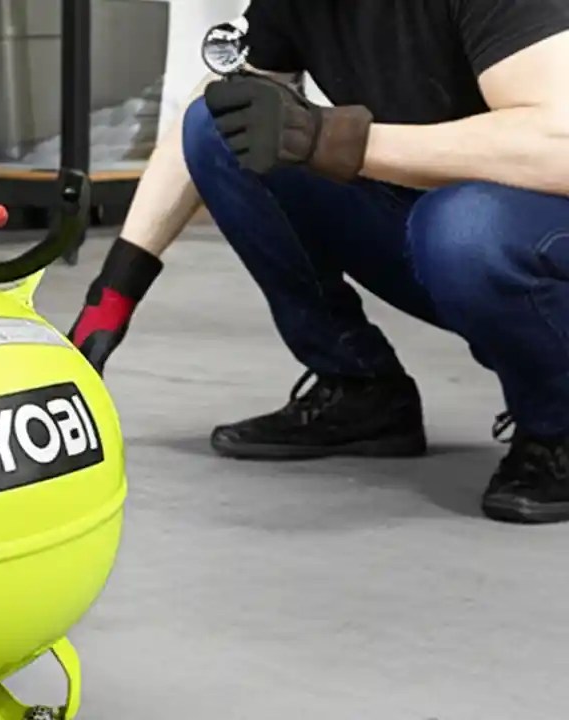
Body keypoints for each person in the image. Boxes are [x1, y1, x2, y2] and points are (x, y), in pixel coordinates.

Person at [68, 0, 569, 524]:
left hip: (527, 228)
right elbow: (217, 115)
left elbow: (556, 141)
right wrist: (115, 292)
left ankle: (557, 427)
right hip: (447, 233)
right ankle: (359, 390)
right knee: (218, 128)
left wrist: (339, 140)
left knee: (463, 226)